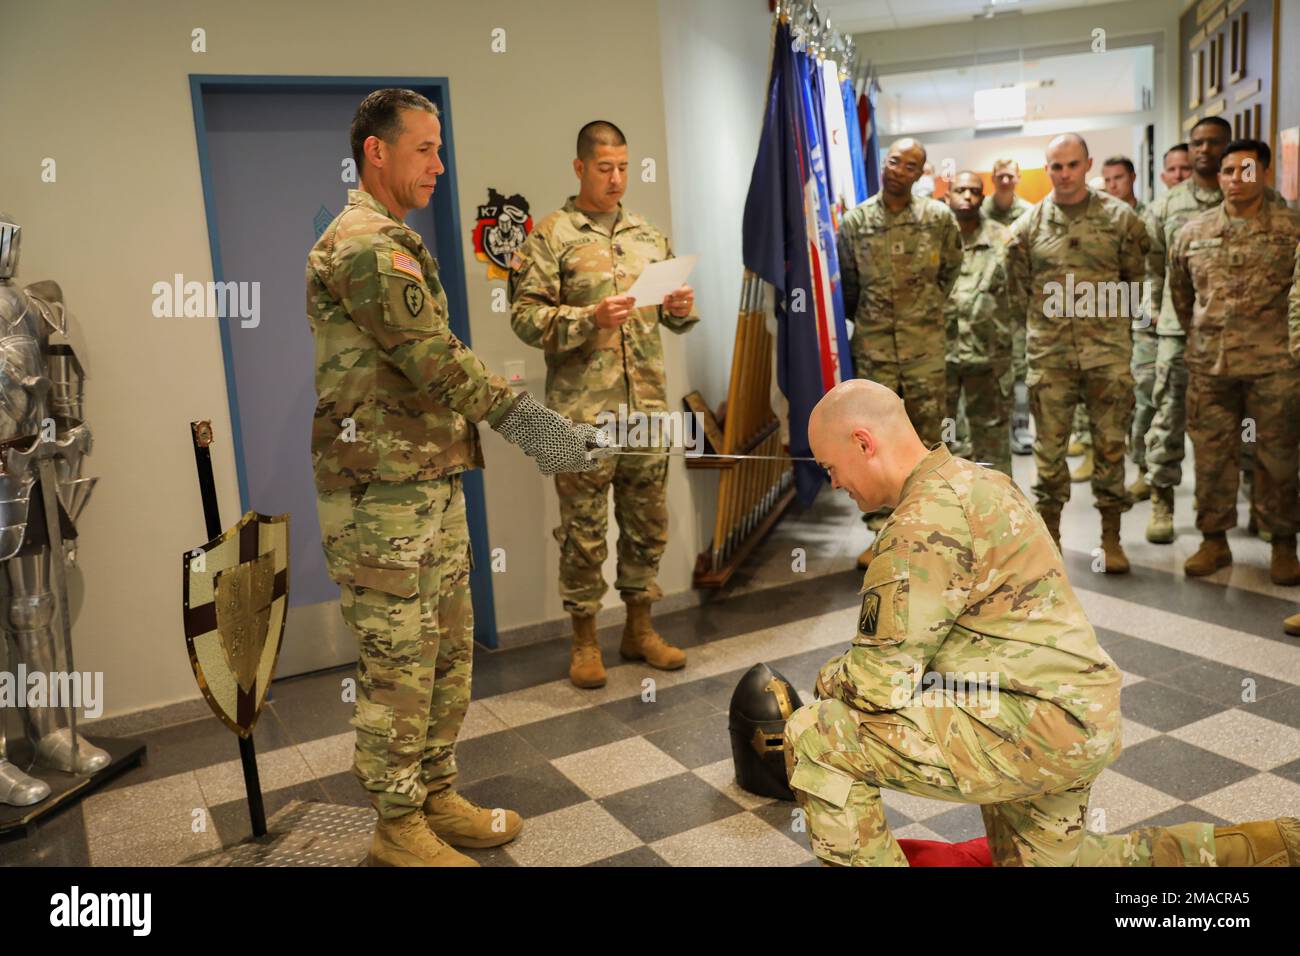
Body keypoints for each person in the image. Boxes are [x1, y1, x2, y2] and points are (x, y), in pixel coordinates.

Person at [784, 378, 1300, 867]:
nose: (834, 483)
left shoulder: (920, 525)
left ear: (863, 442)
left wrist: (827, 678)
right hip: (1070, 712)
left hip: (1027, 726)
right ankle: (1255, 849)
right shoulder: (979, 480)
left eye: (831, 467)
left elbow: (879, 685)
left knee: (816, 737)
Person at [307, 88, 607, 867]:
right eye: (425, 149)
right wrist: (540, 429)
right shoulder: (366, 245)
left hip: (428, 480)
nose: (440, 163)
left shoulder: (398, 238)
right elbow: (435, 361)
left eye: (440, 148)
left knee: (445, 653)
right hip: (381, 494)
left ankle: (435, 793)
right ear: (377, 152)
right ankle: (395, 822)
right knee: (399, 663)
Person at [509, 120, 698, 689]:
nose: (616, 179)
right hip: (577, 417)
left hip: (644, 411)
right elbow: (524, 318)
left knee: (647, 526)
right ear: (579, 168)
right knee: (583, 532)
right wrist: (586, 318)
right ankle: (585, 641)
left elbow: (673, 318)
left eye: (623, 167)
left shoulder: (647, 233)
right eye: (604, 168)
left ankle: (639, 630)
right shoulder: (552, 235)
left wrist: (681, 305)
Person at [1006, 133, 1148, 570]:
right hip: (1050, 360)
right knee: (1048, 459)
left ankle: (1112, 540)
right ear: (1047, 170)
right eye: (1055, 166)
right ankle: (1049, 541)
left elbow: (1134, 282)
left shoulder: (1122, 220)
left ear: (1087, 164)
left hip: (1107, 356)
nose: (1064, 174)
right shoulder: (1025, 229)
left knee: (1109, 450)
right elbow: (1017, 294)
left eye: (1072, 165)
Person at [1167, 138, 1300, 585]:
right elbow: (1183, 297)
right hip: (1211, 367)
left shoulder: (1291, 227)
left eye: (1245, 170)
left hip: (1274, 366)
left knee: (1278, 458)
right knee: (1211, 457)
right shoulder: (1192, 232)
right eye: (1226, 171)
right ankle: (1213, 541)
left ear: (1263, 174)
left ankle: (1283, 543)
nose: (1234, 179)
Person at [837, 137, 961, 568]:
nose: (898, 171)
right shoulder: (855, 222)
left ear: (919, 174)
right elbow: (849, 287)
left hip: (924, 349)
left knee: (929, 444)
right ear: (883, 164)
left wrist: (918, 314)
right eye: (894, 161)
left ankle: (930, 533)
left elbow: (949, 274)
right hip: (874, 352)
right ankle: (883, 536)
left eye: (910, 166)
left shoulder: (938, 219)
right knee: (872, 447)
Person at [942, 171, 1020, 476]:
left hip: (988, 358)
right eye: (960, 190)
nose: (967, 197)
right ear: (947, 195)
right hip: (940, 357)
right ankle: (949, 513)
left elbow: (1022, 291)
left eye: (974, 191)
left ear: (983, 197)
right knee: (943, 440)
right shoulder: (933, 236)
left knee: (992, 443)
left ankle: (999, 512)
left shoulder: (1005, 238)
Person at [981, 159, 1034, 458]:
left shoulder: (1029, 214)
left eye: (1009, 176)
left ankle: (1021, 426)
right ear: (992, 178)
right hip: (985, 308)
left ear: (1018, 177)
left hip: (1017, 307)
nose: (1004, 181)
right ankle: (993, 429)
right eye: (999, 176)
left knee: (1019, 370)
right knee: (986, 371)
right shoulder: (977, 213)